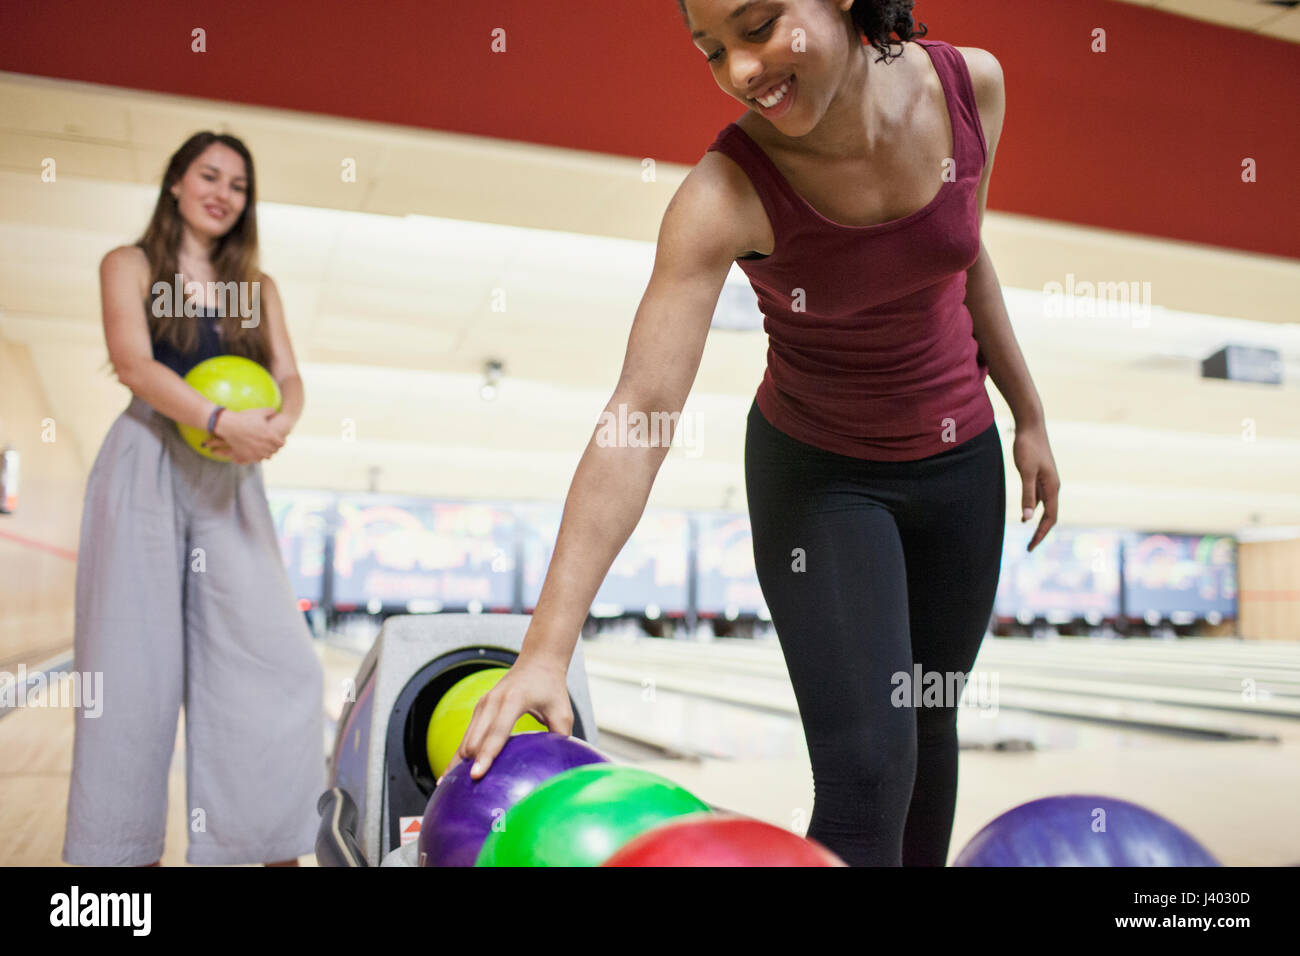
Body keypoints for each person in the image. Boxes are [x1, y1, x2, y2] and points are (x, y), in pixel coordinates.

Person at [447, 0, 1060, 866]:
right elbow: (640, 412)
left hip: (961, 468)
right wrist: (546, 648)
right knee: (870, 773)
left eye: (760, 24)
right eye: (712, 51)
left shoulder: (972, 87)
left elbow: (964, 255)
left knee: (929, 737)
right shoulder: (722, 194)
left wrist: (1027, 412)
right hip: (822, 478)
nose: (740, 68)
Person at [62, 131, 324, 867]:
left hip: (230, 473)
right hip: (146, 455)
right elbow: (132, 363)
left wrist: (275, 426)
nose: (222, 193)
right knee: (130, 675)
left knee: (280, 666)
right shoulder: (131, 264)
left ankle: (261, 847)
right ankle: (118, 862)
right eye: (209, 175)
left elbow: (290, 376)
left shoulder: (256, 285)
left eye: (238, 185)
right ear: (176, 181)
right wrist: (214, 418)